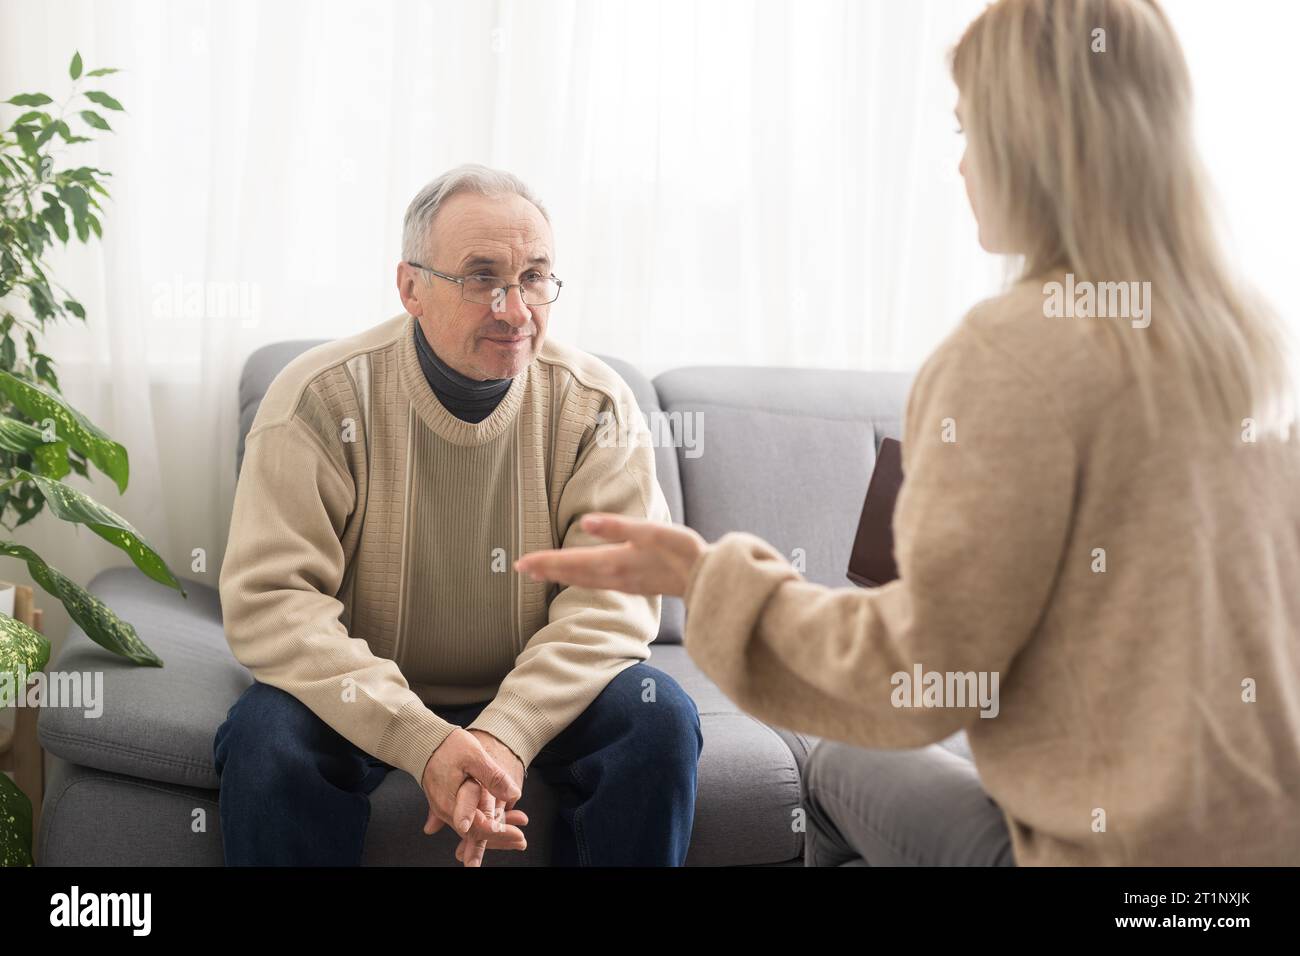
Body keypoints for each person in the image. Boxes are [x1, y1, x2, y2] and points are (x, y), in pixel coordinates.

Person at [515, 0, 1300, 865]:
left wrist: (705, 577)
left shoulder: (1014, 351)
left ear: (1029, 139)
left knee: (839, 764)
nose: (960, 165)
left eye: (970, 129)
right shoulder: (1244, 342)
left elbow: (916, 680)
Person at [214, 164, 702, 867]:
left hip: (539, 689)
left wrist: (505, 733)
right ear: (411, 287)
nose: (514, 308)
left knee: (658, 719)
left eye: (535, 277)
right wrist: (424, 741)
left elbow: (613, 601)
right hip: (364, 693)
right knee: (267, 738)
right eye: (481, 278)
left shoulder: (596, 405)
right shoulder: (317, 399)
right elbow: (274, 603)